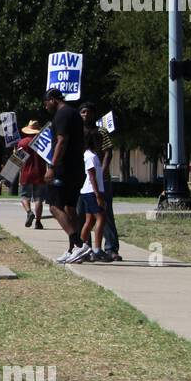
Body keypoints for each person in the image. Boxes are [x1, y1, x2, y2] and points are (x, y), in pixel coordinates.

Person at [43, 88, 85, 263]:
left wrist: (52, 166)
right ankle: (73, 250)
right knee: (69, 208)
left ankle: (79, 244)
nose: (45, 107)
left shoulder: (62, 115)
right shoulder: (74, 114)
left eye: (46, 103)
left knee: (54, 206)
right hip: (76, 167)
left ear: (53, 100)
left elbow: (62, 141)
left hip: (63, 168)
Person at [79, 102, 120, 262]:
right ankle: (85, 248)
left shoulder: (101, 131)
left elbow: (108, 152)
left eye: (88, 112)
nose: (85, 115)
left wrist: (101, 172)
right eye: (82, 112)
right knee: (84, 216)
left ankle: (111, 249)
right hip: (83, 180)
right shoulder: (76, 132)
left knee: (105, 214)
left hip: (101, 179)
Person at [71, 128, 107, 263]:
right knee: (101, 218)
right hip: (92, 191)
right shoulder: (91, 156)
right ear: (94, 142)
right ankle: (97, 249)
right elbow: (92, 177)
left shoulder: (89, 155)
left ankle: (81, 247)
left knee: (90, 221)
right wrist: (98, 195)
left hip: (88, 191)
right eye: (99, 141)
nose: (101, 144)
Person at [16, 120, 47, 229]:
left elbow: (18, 160)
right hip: (40, 173)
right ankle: (38, 222)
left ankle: (29, 212)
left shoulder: (22, 143)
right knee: (38, 199)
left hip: (26, 173)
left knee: (25, 196)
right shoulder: (44, 143)